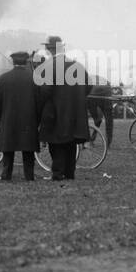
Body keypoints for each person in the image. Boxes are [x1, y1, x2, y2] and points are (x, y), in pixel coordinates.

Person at [36, 37, 91, 181]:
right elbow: (88, 86)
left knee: (56, 143)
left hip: (56, 112)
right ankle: (69, 173)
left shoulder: (49, 66)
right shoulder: (77, 66)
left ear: (51, 49)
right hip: (75, 112)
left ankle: (58, 173)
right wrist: (76, 99)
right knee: (71, 143)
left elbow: (45, 91)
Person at [0, 51, 39, 182]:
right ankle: (29, 176)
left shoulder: (3, 78)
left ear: (13, 62)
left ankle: (6, 175)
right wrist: (38, 119)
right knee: (28, 149)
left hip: (8, 119)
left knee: (8, 148)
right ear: (26, 61)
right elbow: (39, 101)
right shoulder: (34, 77)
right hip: (29, 119)